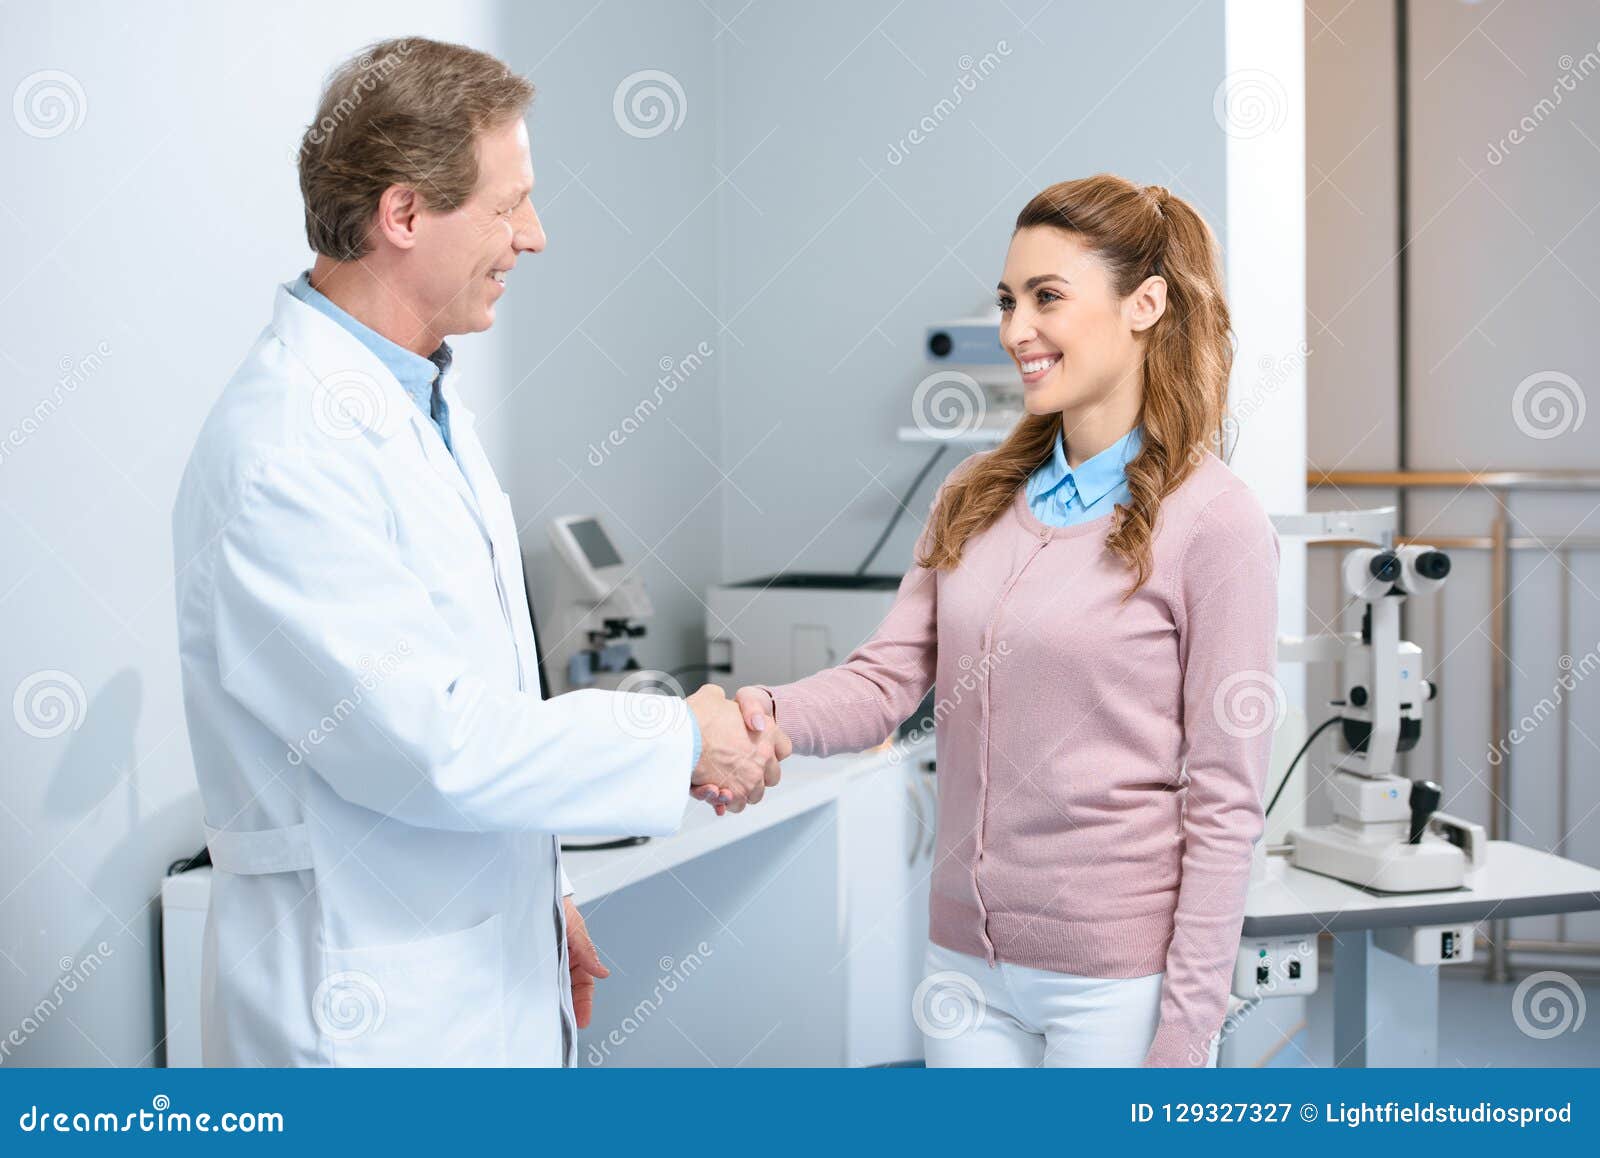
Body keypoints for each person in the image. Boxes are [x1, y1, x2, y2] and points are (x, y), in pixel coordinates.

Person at [172, 37, 786, 1067]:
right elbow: (431, 746)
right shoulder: (286, 449)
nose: (534, 237)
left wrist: (540, 896)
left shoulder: (413, 404)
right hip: (366, 1012)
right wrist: (679, 740)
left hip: (470, 966)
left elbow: (466, 705)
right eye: (508, 206)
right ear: (404, 215)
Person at [736, 174, 1280, 1067]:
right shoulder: (974, 496)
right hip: (963, 971)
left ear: (1145, 305)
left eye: (1047, 298)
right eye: (1008, 300)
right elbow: (883, 684)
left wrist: (1187, 1033)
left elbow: (1225, 802)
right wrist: (752, 711)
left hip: (1115, 985)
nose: (1014, 329)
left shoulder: (1215, 522)